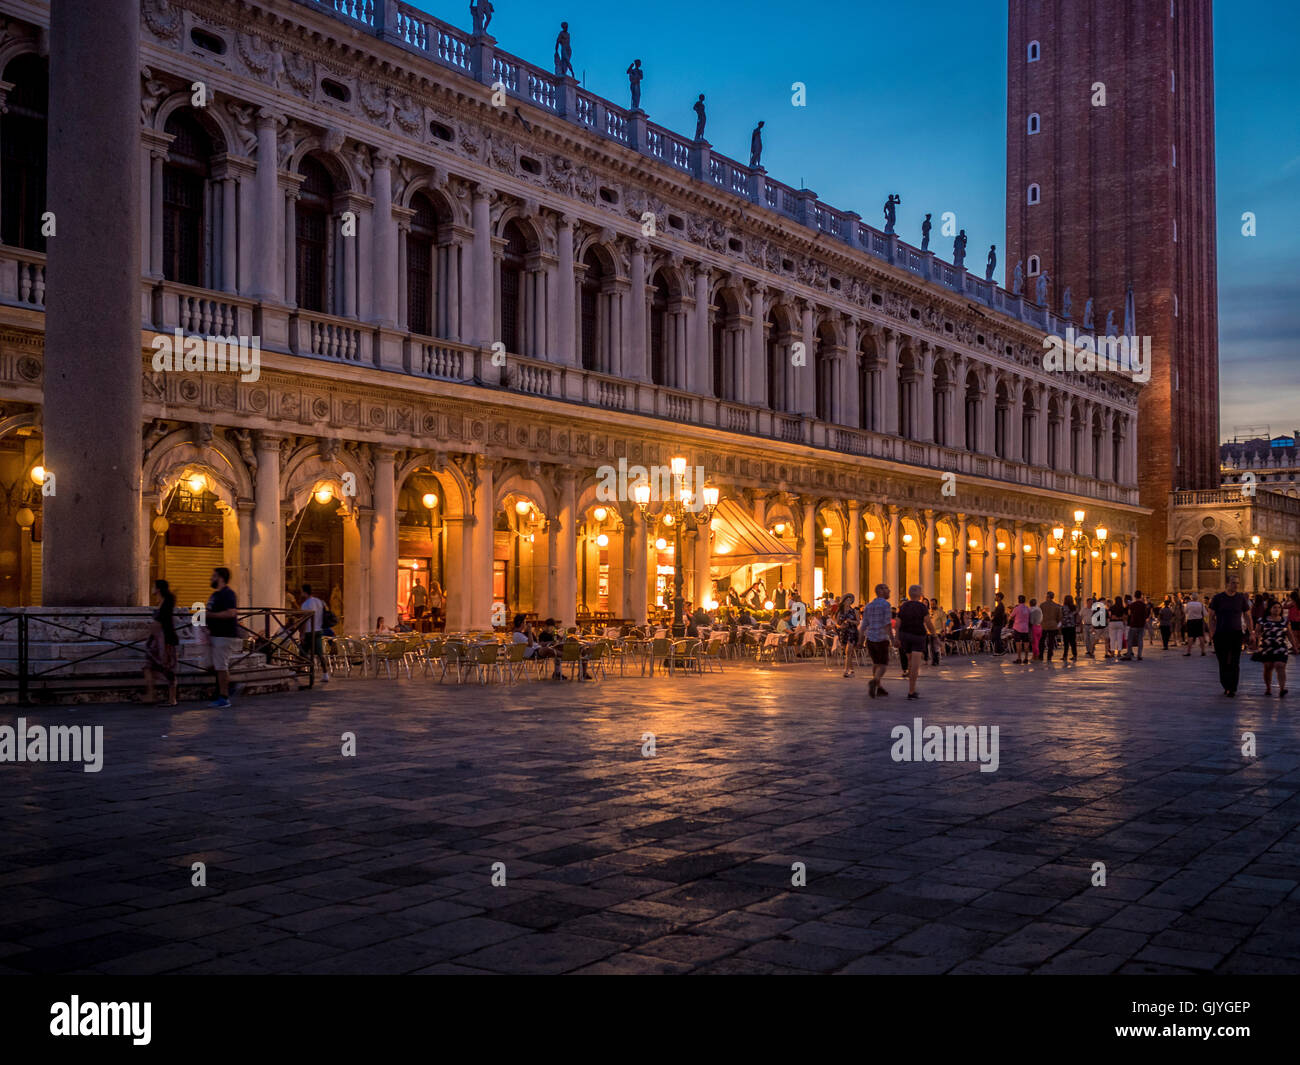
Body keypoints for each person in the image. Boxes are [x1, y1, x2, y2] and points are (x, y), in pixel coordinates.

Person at [1208, 575, 1252, 697]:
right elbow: (1211, 617)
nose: (1236, 585)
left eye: (1237, 583)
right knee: (1222, 662)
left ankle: (1232, 687)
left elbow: (1247, 616)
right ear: (1227, 583)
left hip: (1236, 634)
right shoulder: (1218, 598)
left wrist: (1251, 632)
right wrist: (1212, 633)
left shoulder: (1241, 598)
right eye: (1233, 583)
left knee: (1234, 661)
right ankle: (1226, 684)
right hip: (1221, 634)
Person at [205, 567, 241, 708]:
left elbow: (231, 613)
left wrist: (211, 616)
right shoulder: (215, 595)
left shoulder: (228, 594)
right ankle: (228, 686)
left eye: (213, 576)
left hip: (224, 635)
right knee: (212, 665)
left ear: (220, 578)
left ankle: (224, 697)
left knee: (221, 666)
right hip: (214, 634)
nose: (211, 578)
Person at [143, 578, 179, 706]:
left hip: (165, 641)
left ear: (158, 589)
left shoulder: (166, 604)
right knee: (148, 666)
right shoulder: (162, 603)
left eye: (153, 586)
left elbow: (162, 622)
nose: (152, 588)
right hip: (156, 642)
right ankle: (151, 695)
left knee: (168, 668)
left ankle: (172, 699)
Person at [898, 584, 937, 700]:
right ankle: (911, 690)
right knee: (915, 664)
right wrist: (935, 636)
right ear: (920, 595)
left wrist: (896, 638)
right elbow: (928, 623)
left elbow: (898, 622)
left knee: (910, 661)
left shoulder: (903, 606)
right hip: (918, 636)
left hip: (905, 635)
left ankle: (911, 685)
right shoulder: (922, 607)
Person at [1251, 599, 1292, 697]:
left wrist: (1295, 646)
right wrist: (1254, 643)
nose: (1277, 609)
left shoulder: (1285, 621)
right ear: (1270, 609)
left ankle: (1282, 688)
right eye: (1274, 607)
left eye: (1279, 607)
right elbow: (1257, 633)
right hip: (1267, 647)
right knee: (1268, 668)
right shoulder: (1262, 620)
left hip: (1281, 647)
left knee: (1280, 665)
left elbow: (1289, 634)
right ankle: (1268, 688)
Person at [860, 583, 893, 698]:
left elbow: (863, 625)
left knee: (876, 663)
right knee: (883, 664)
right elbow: (887, 624)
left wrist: (860, 640)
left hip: (870, 638)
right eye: (887, 589)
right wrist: (893, 639)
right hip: (881, 638)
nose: (889, 591)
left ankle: (878, 687)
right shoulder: (886, 605)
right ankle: (875, 680)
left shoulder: (868, 606)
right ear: (880, 591)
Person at [299, 583, 331, 682]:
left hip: (309, 631)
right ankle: (325, 674)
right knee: (320, 653)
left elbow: (304, 620)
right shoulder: (320, 602)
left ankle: (298, 670)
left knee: (302, 652)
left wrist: (302, 634)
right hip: (319, 630)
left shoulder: (305, 604)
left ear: (304, 592)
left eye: (301, 591)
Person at [835, 594, 860, 677]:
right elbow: (837, 623)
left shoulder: (854, 611)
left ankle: (845, 671)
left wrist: (850, 621)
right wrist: (840, 626)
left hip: (852, 632)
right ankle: (852, 669)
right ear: (844, 601)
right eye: (847, 600)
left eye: (850, 600)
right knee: (848, 652)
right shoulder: (840, 612)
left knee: (848, 651)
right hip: (843, 633)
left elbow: (858, 622)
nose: (848, 602)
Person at [1122, 591, 1149, 661]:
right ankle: (1139, 655)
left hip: (1133, 624)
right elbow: (1146, 615)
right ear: (1141, 596)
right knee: (1140, 640)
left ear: (1135, 596)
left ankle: (1129, 654)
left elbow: (1129, 614)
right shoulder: (1144, 605)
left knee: (1130, 640)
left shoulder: (1132, 605)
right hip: (1141, 624)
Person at [1040, 591, 1062, 661]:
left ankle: (1041, 655)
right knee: (1051, 641)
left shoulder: (1042, 605)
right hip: (1053, 625)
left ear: (1047, 596)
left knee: (1042, 641)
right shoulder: (1056, 606)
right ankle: (1049, 656)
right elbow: (1059, 617)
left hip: (1044, 625)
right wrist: (1057, 624)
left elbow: (1039, 616)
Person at [1010, 594, 1031, 664]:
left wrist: (1014, 619)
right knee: (1026, 644)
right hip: (1025, 628)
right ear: (1025, 601)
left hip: (1017, 628)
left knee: (1018, 643)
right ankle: (1026, 658)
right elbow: (1030, 617)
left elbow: (1011, 617)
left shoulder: (1016, 608)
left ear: (1018, 600)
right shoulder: (1027, 608)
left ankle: (1019, 658)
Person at [1060, 594, 1078, 662]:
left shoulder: (1063, 607)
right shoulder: (1074, 607)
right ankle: (1075, 655)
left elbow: (1061, 616)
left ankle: (1065, 656)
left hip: (1065, 627)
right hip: (1072, 627)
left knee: (1066, 642)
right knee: (1073, 642)